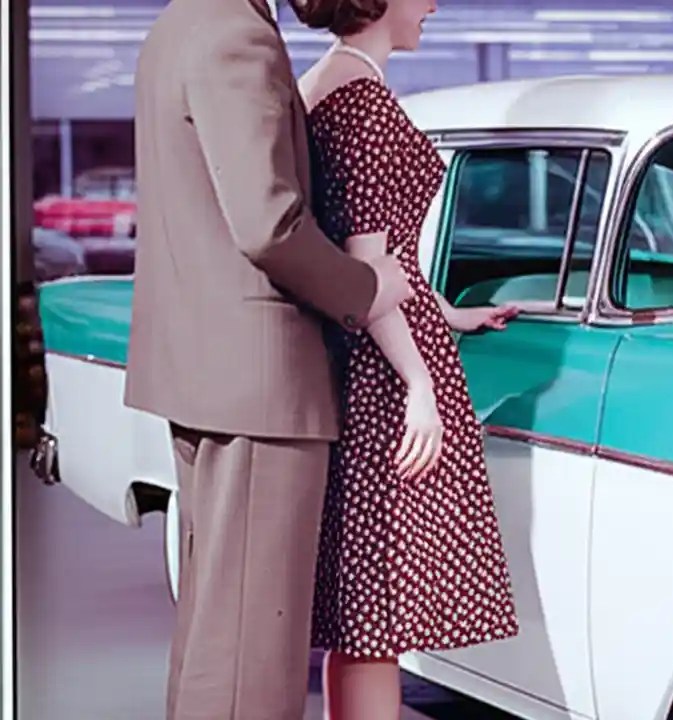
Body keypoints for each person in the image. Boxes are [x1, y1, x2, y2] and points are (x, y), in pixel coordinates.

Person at [126, 0, 415, 717]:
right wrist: (369, 287)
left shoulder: (180, 23)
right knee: (252, 658)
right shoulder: (237, 33)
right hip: (262, 384)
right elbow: (269, 224)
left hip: (208, 371)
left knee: (215, 638)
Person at [290, 0, 522, 717]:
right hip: (382, 369)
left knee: (366, 611)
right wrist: (420, 381)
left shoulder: (326, 85)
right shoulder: (362, 103)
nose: (431, 5)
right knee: (376, 608)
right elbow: (367, 267)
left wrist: (449, 313)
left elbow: (378, 263)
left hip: (361, 351)